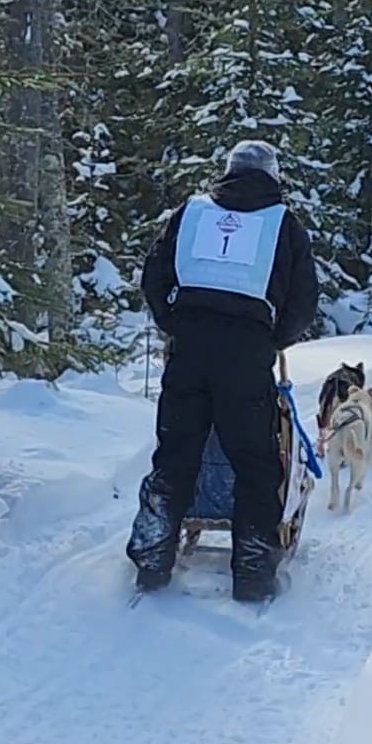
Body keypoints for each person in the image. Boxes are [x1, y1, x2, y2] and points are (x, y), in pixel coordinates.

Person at [125, 140, 319, 602]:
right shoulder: (283, 225)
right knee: (254, 465)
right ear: (273, 176)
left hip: (188, 348)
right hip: (246, 354)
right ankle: (252, 575)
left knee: (173, 458)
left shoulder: (190, 214)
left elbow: (155, 275)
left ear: (227, 171)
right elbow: (303, 298)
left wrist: (174, 323)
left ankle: (152, 560)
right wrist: (273, 341)